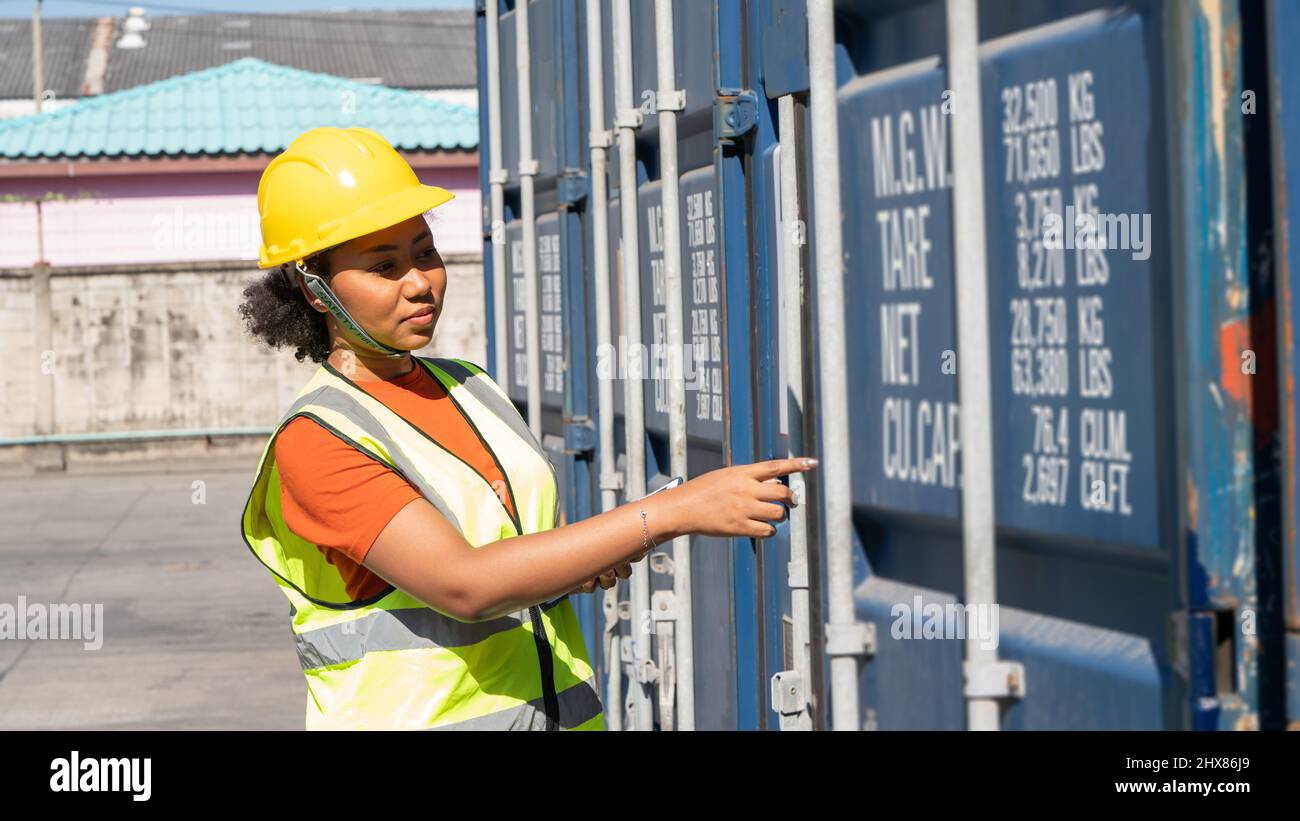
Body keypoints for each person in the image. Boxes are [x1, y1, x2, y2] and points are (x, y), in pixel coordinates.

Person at [238, 126, 816, 730]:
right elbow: (466, 587)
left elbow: (518, 551)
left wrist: (584, 563)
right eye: (384, 267)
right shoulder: (320, 438)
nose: (420, 283)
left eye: (425, 252)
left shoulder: (469, 385)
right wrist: (669, 513)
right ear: (313, 287)